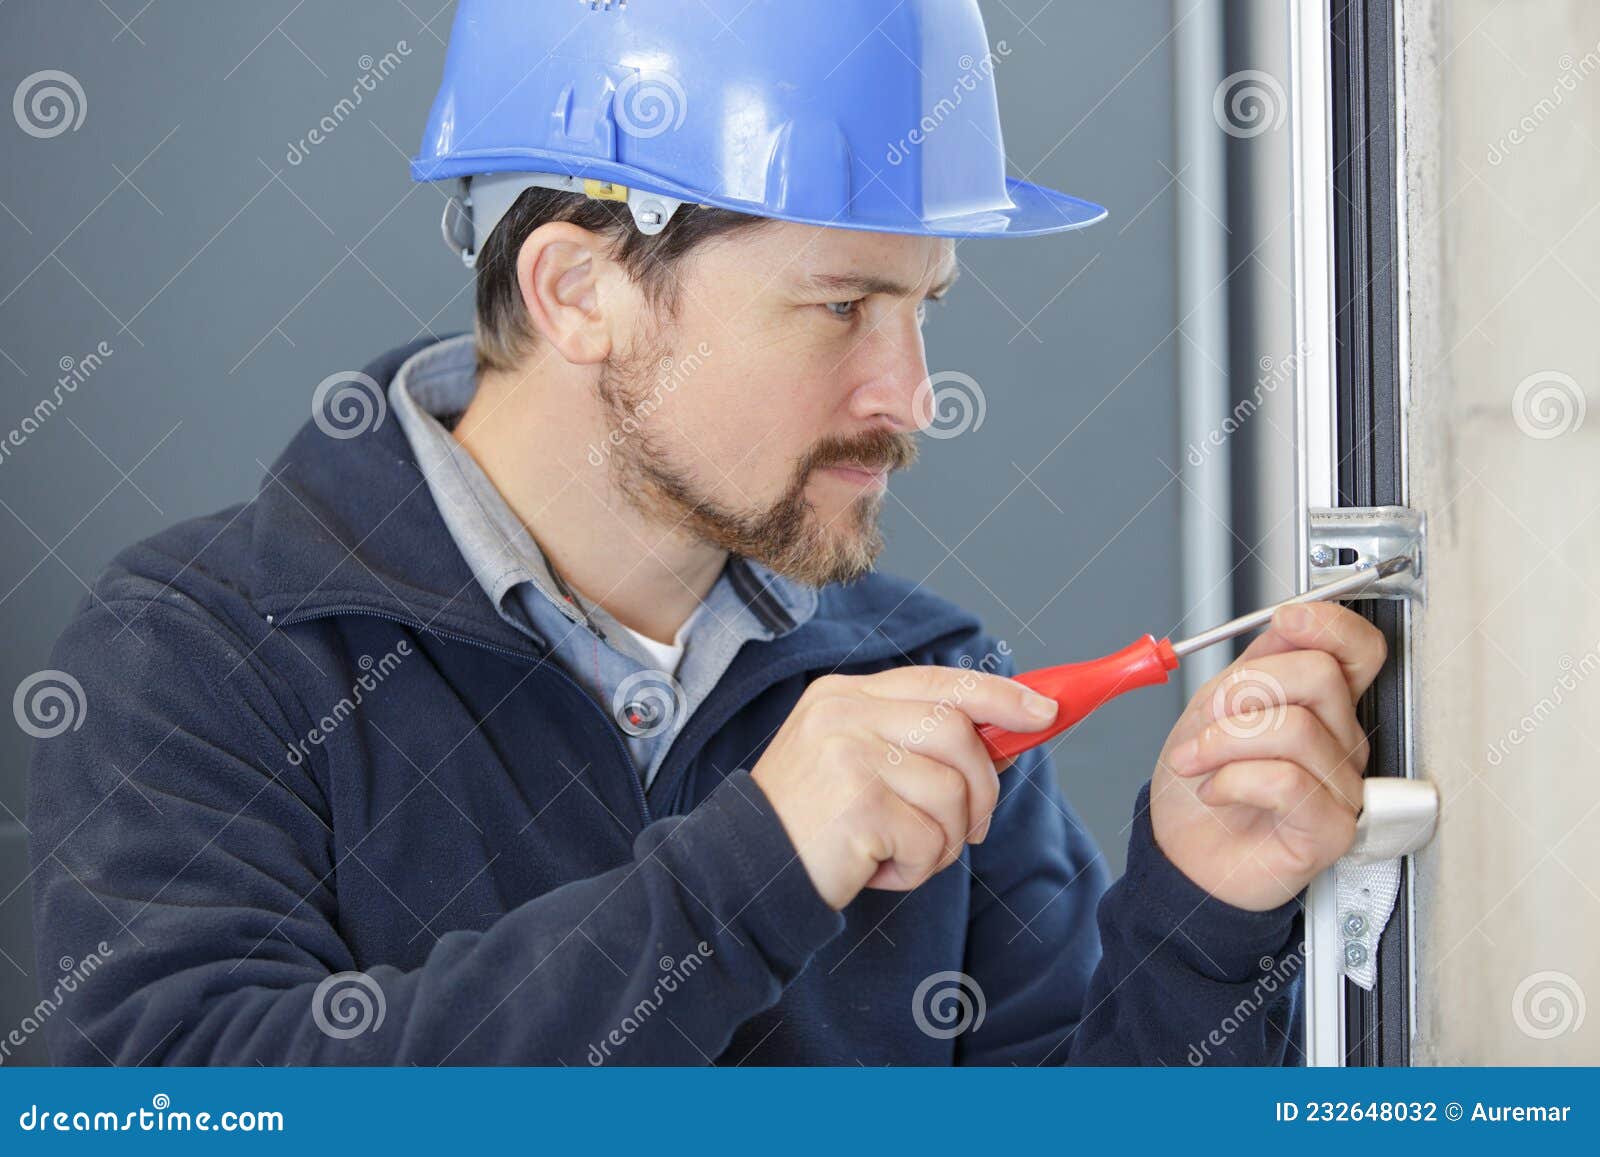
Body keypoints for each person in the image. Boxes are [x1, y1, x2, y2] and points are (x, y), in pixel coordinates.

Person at [26, 0, 1383, 1065]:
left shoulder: (920, 682)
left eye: (924, 308)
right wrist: (751, 871)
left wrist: (1202, 917)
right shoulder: (208, 655)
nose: (911, 396)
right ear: (579, 290)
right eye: (842, 306)